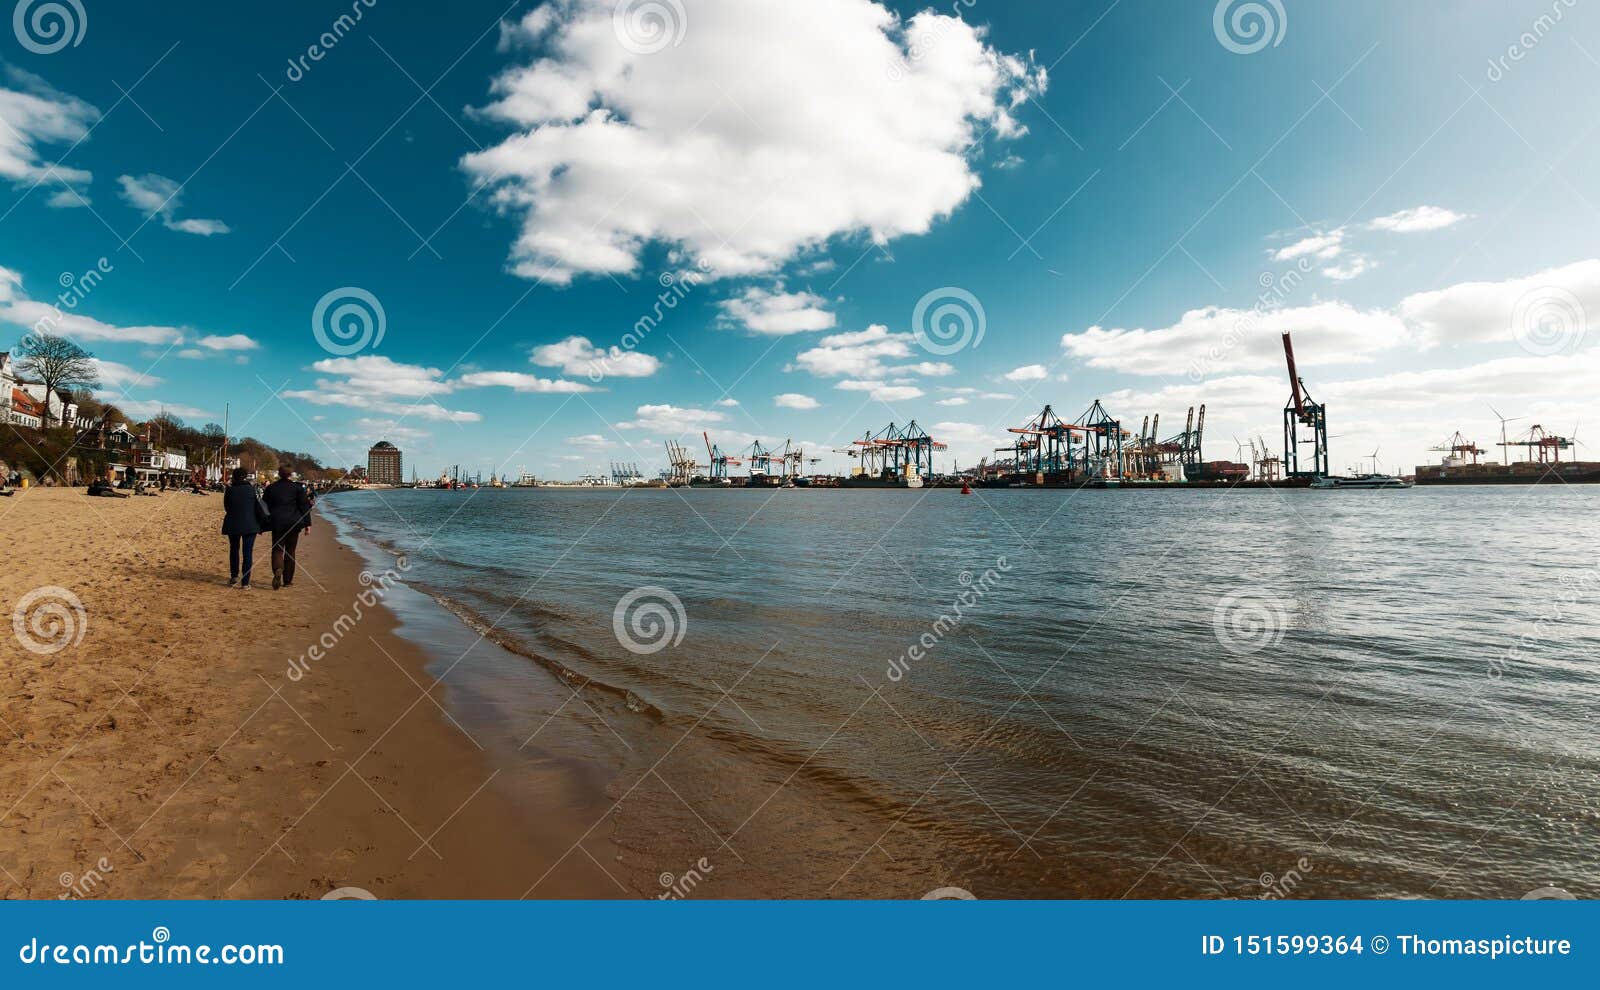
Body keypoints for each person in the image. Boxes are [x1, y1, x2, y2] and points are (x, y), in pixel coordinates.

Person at [263, 467, 312, 589]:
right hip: (293, 523)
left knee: (277, 549)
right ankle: (288, 580)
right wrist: (308, 524)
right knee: (290, 551)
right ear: (290, 475)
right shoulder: (298, 488)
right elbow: (304, 507)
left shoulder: (271, 488)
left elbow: (263, 506)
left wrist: (263, 524)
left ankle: (278, 569)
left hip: (277, 522)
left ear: (279, 474)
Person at [221, 467, 270, 588]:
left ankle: (234, 577)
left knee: (234, 550)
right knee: (247, 553)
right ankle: (245, 582)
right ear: (245, 476)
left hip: (233, 523)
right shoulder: (251, 489)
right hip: (250, 524)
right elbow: (257, 507)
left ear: (234, 477)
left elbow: (227, 507)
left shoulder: (230, 489)